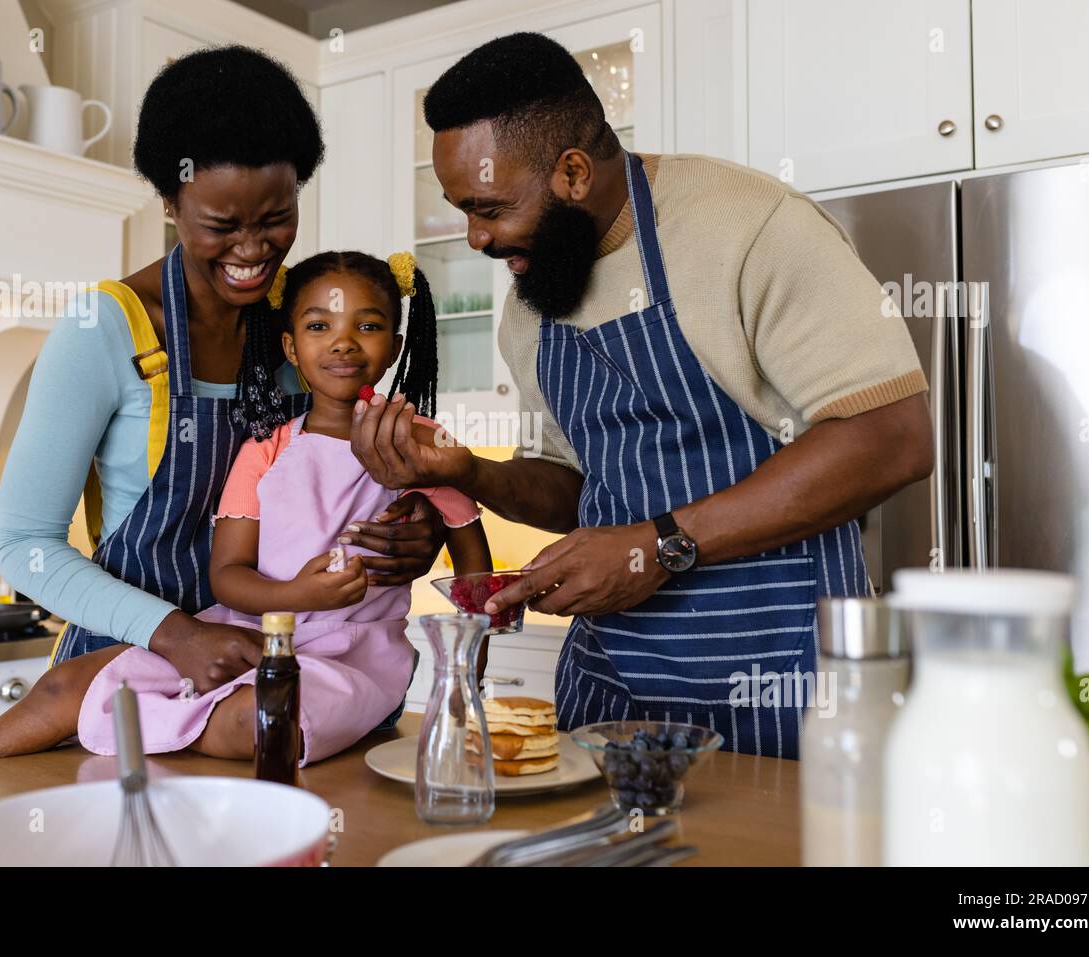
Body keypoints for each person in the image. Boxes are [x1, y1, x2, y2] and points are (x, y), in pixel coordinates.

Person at [349, 33, 934, 758]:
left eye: (491, 208)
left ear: (571, 172)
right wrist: (467, 471)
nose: (474, 237)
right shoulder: (532, 305)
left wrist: (659, 547)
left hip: (784, 681)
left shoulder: (748, 226)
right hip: (612, 686)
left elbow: (892, 437)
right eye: (462, 210)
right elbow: (574, 488)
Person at [0, 46, 446, 704]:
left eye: (276, 218)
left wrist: (412, 532)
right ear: (170, 202)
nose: (253, 250)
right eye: (222, 225)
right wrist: (176, 634)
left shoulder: (301, 328)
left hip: (274, 663)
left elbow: (345, 480)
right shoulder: (108, 330)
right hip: (129, 667)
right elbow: (24, 546)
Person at [0, 251, 490, 767]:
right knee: (67, 686)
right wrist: (292, 597)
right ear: (291, 345)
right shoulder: (265, 448)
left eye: (366, 328)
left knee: (257, 723)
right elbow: (226, 574)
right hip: (229, 632)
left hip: (349, 654)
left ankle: (155, 729)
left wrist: (467, 659)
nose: (343, 345)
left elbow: (469, 548)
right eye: (320, 327)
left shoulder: (419, 442)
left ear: (394, 346)